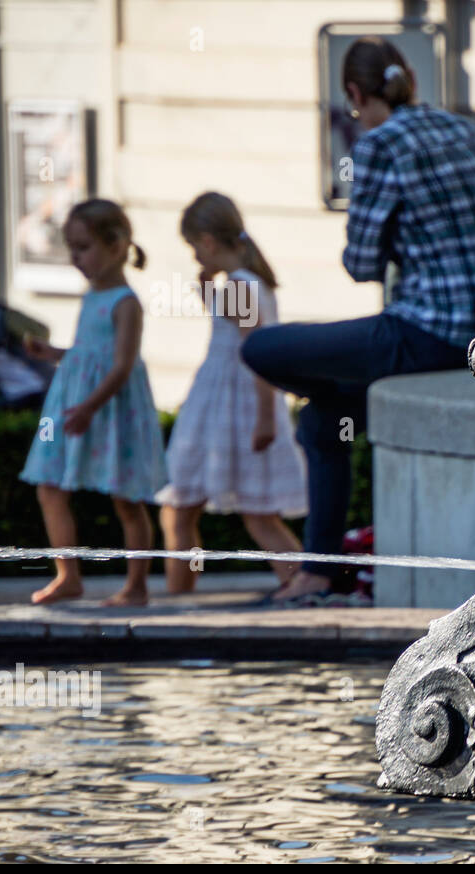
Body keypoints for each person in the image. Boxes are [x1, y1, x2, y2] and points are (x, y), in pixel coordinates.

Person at [241, 35, 475, 605]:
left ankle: (319, 571)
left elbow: (360, 263)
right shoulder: (462, 129)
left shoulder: (378, 146)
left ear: (354, 93)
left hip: (423, 333)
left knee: (262, 350)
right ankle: (317, 572)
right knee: (323, 420)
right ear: (408, 80)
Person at [156, 192, 307, 595]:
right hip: (229, 403)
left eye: (193, 247)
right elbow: (234, 326)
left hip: (231, 407)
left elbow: (254, 352)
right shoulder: (249, 283)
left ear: (207, 241)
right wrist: (207, 288)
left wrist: (262, 418)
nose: (193, 257)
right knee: (248, 514)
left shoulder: (240, 286)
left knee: (189, 510)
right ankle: (304, 585)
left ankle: (180, 598)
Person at [19, 199, 167, 607]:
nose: (75, 257)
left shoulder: (125, 302)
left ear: (117, 244)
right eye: (71, 247)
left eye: (83, 247)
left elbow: (121, 366)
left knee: (127, 499)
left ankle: (136, 585)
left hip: (110, 408)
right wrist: (52, 353)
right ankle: (68, 575)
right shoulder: (90, 297)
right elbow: (88, 354)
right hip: (75, 404)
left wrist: (90, 406)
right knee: (49, 488)